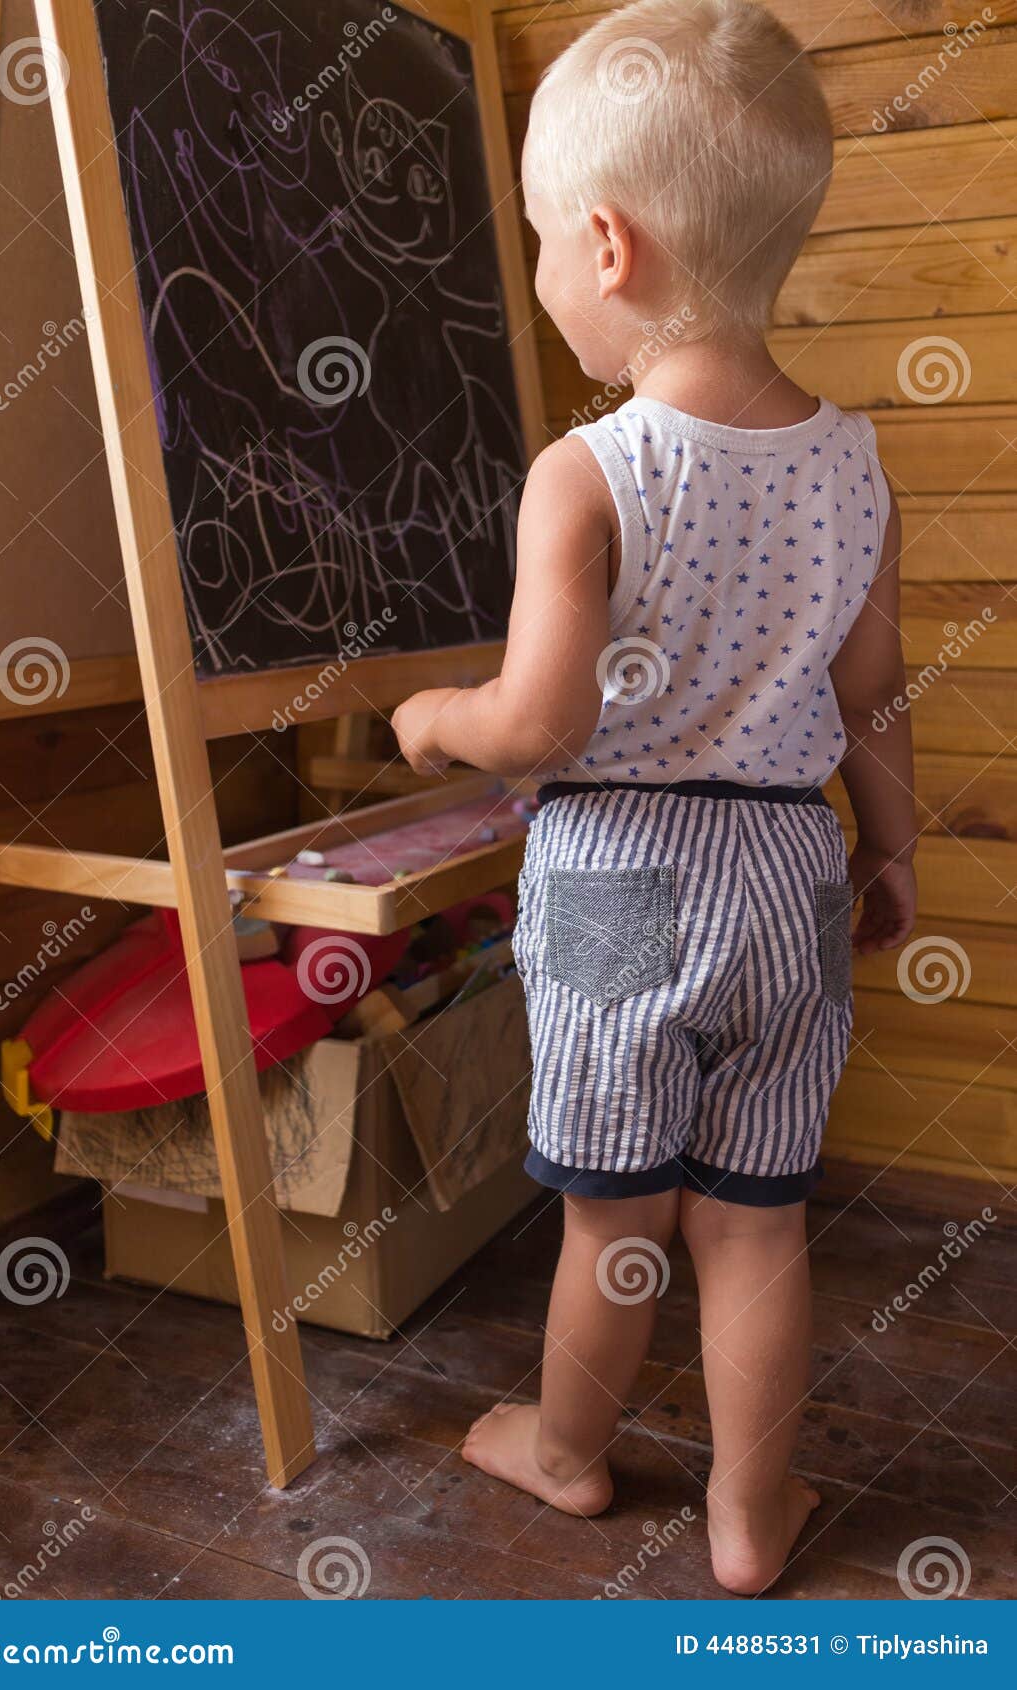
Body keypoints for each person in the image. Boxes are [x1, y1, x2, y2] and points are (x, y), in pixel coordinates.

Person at [392, 0, 917, 1595]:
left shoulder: (590, 470)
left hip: (618, 872)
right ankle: (755, 1525)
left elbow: (538, 721)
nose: (550, 271)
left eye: (548, 240)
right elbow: (871, 695)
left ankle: (566, 1450)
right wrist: (892, 848)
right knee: (755, 1222)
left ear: (605, 248)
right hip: (784, 870)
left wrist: (434, 716)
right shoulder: (855, 464)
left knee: (614, 1209)